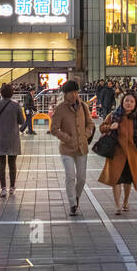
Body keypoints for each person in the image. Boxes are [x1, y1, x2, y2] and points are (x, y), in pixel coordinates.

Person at [48, 80, 93, 217]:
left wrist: (85, 135)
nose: (74, 95)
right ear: (65, 94)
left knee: (82, 178)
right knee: (70, 176)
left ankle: (77, 196)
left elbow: (90, 124)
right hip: (66, 149)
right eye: (70, 93)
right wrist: (67, 138)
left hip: (81, 147)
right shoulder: (60, 109)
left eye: (75, 92)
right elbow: (54, 129)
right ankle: (73, 204)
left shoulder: (83, 107)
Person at [97, 92, 137, 213]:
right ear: (122, 102)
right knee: (116, 179)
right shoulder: (114, 115)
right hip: (116, 153)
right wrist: (110, 127)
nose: (128, 103)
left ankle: (125, 202)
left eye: (131, 101)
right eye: (126, 101)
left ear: (135, 104)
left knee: (128, 180)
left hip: (131, 154)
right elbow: (102, 127)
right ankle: (117, 205)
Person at [0, 84, 25, 197]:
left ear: (1, 94)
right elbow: (21, 120)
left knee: (1, 163)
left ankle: (3, 188)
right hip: (13, 137)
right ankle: (12, 187)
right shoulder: (16, 106)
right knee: (12, 163)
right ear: (12, 93)